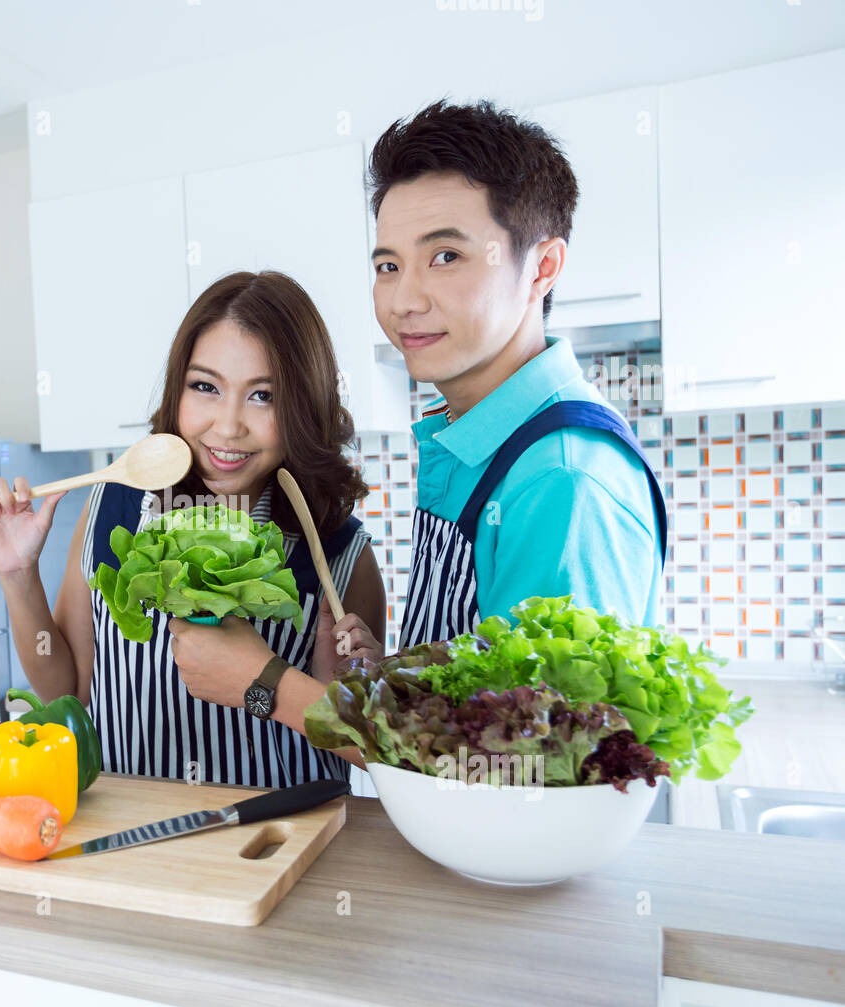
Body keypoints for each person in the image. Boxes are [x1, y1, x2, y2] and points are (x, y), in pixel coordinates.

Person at [170, 100, 666, 764]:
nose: (404, 299)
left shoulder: (562, 480)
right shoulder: (468, 442)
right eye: (388, 265)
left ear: (542, 268)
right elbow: (481, 710)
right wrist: (400, 679)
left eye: (446, 256)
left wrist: (262, 685)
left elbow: (536, 767)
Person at [0, 270, 386, 786]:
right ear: (177, 388)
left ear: (303, 405)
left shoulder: (340, 553)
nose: (228, 425)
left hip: (283, 839)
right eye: (205, 387)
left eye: (263, 396)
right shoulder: (112, 507)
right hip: (134, 835)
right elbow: (67, 691)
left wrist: (339, 689)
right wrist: (16, 574)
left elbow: (370, 749)